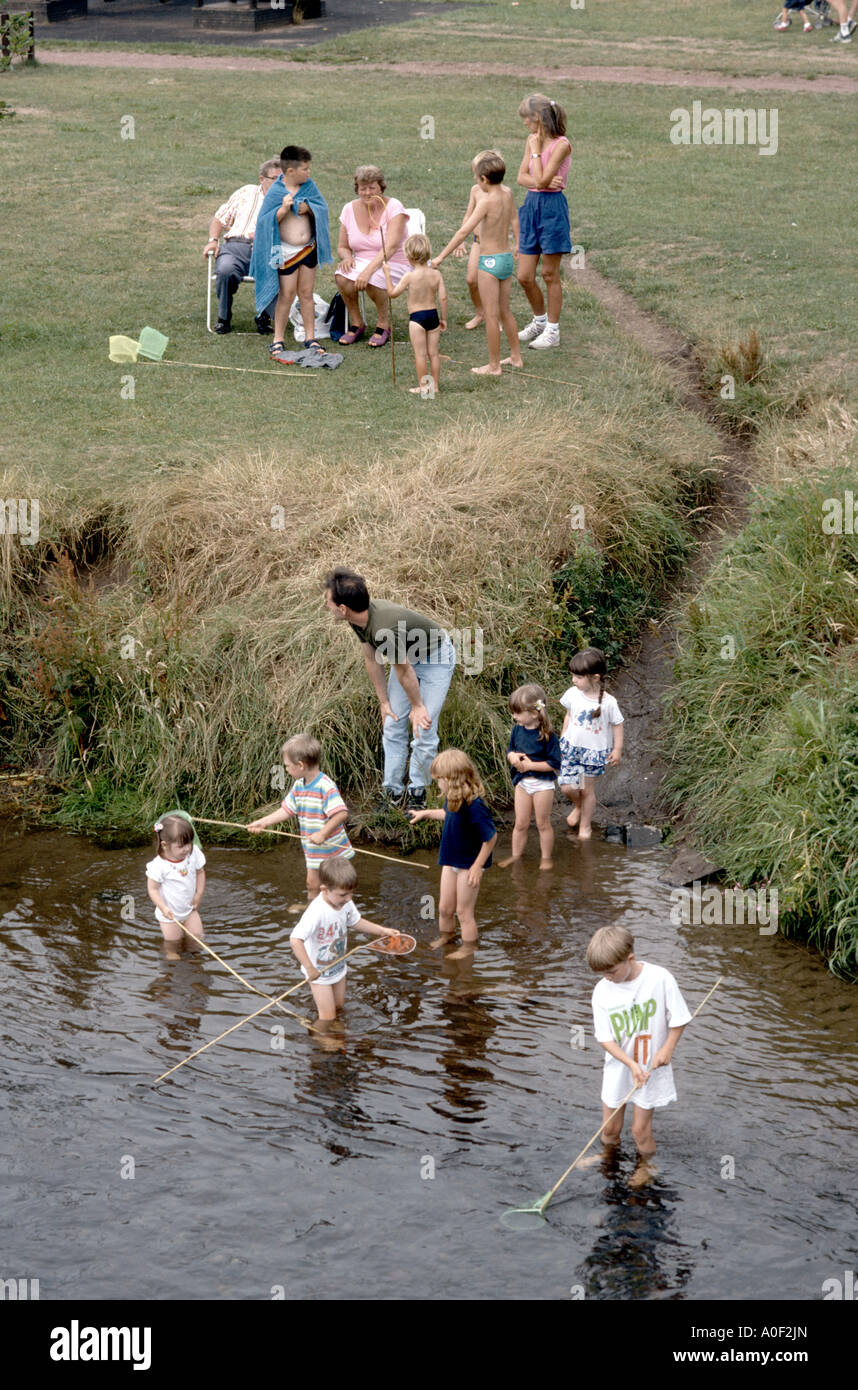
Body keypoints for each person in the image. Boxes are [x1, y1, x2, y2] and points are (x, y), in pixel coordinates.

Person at [323, 567, 456, 811]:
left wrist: (417, 707)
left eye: (328, 601)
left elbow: (404, 671)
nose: (326, 605)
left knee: (423, 726)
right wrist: (384, 701)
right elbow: (371, 659)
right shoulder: (358, 619)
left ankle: (419, 791)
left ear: (343, 608)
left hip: (436, 658)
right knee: (393, 723)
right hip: (408, 657)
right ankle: (392, 791)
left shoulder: (384, 630)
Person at [587, 923, 691, 1186]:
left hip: (651, 1068)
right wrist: (630, 1064)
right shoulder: (602, 990)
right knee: (610, 1129)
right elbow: (605, 1038)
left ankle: (647, 1165)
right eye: (602, 973)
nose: (607, 977)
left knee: (640, 1131)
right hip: (620, 1067)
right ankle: (607, 1156)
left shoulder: (660, 978)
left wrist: (667, 1048)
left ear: (629, 959)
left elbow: (679, 1018)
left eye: (611, 971)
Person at [432, 151, 522, 377]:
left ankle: (493, 366)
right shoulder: (508, 193)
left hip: (488, 262)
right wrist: (519, 243)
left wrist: (441, 256)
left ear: (484, 180)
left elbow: (464, 231)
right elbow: (514, 219)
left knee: (491, 316)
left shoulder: (486, 201)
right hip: (505, 259)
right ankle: (516, 357)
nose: (475, 181)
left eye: (476, 177)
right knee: (505, 311)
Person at [408, 749, 497, 959]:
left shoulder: (475, 806)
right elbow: (448, 815)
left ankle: (469, 948)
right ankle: (447, 938)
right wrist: (426, 813)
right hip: (450, 861)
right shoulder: (452, 797)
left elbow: (490, 837)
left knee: (464, 912)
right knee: (444, 908)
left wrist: (477, 866)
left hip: (468, 864)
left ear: (452, 779)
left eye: (439, 779)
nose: (437, 783)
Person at [289, 857, 397, 1028]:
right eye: (343, 894)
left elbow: (355, 921)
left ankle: (335, 1033)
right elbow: (295, 940)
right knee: (327, 1016)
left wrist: (382, 931)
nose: (349, 898)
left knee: (339, 1007)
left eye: (351, 893)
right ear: (324, 889)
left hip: (338, 965)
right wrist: (310, 968)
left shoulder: (345, 902)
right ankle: (321, 1043)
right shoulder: (317, 912)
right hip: (319, 971)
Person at [250, 144, 332, 362]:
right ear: (290, 172)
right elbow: (265, 222)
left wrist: (311, 209)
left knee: (306, 293)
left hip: (308, 249)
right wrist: (283, 210)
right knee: (286, 295)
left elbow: (322, 208)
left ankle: (310, 337)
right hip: (285, 251)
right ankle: (278, 338)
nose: (309, 172)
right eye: (305, 169)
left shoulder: (310, 187)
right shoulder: (277, 191)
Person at [247, 733, 353, 899]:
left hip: (332, 849)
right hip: (313, 849)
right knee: (312, 885)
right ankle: (312, 914)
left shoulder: (325, 786)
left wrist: (323, 833)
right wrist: (263, 822)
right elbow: (287, 809)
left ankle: (340, 912)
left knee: (338, 886)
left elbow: (341, 813)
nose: (286, 769)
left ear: (300, 765)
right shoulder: (298, 786)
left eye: (288, 766)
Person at [515, 93, 572, 351]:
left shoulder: (561, 145)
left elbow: (536, 179)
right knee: (525, 276)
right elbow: (522, 178)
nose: (525, 124)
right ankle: (539, 321)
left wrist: (537, 156)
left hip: (552, 209)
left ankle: (553, 329)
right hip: (532, 207)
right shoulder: (530, 141)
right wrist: (544, 180)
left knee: (549, 274)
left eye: (527, 119)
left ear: (537, 117)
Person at [204, 159, 282, 335]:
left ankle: (264, 316)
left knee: (275, 269)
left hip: (266, 250)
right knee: (224, 270)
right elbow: (220, 218)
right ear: (262, 179)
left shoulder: (286, 201)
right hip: (235, 246)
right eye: (275, 179)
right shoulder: (246, 192)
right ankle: (223, 318)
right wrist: (213, 240)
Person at [334, 165, 410, 347]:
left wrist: (367, 271)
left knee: (374, 278)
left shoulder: (394, 207)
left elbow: (390, 248)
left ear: (381, 188)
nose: (367, 192)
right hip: (361, 260)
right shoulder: (348, 209)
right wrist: (346, 257)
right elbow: (342, 246)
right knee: (342, 276)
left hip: (394, 260)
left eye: (372, 188)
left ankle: (384, 324)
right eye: (363, 188)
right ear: (357, 189)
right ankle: (357, 323)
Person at [558, 647, 624, 840]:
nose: (573, 680)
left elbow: (618, 724)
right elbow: (569, 715)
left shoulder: (609, 703)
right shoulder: (572, 693)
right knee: (567, 787)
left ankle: (585, 826)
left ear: (595, 677)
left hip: (593, 752)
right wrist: (563, 736)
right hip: (571, 748)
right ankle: (578, 806)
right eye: (572, 676)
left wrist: (617, 749)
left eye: (578, 677)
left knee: (586, 790)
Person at [498, 683, 562, 869]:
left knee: (543, 824)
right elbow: (510, 750)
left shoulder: (548, 735)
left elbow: (554, 764)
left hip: (543, 785)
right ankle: (516, 855)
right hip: (522, 783)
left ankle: (546, 858)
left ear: (534, 713)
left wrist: (529, 766)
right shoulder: (517, 730)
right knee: (520, 824)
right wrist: (512, 757)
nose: (514, 716)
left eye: (517, 713)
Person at [383, 233, 448, 396]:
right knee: (433, 354)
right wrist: (444, 318)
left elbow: (392, 293)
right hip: (433, 315)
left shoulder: (409, 277)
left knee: (420, 355)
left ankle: (424, 386)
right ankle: (435, 386)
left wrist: (387, 274)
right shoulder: (436, 274)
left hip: (417, 318)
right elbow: (443, 297)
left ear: (408, 256)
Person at [145, 812, 206, 960]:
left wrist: (198, 894)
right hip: (169, 915)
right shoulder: (159, 866)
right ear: (165, 845)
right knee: (173, 942)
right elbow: (152, 889)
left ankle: (195, 953)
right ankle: (170, 953)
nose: (187, 848)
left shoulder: (193, 854)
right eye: (182, 846)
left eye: (190, 843)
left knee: (198, 937)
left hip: (190, 909)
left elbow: (200, 872)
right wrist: (163, 908)